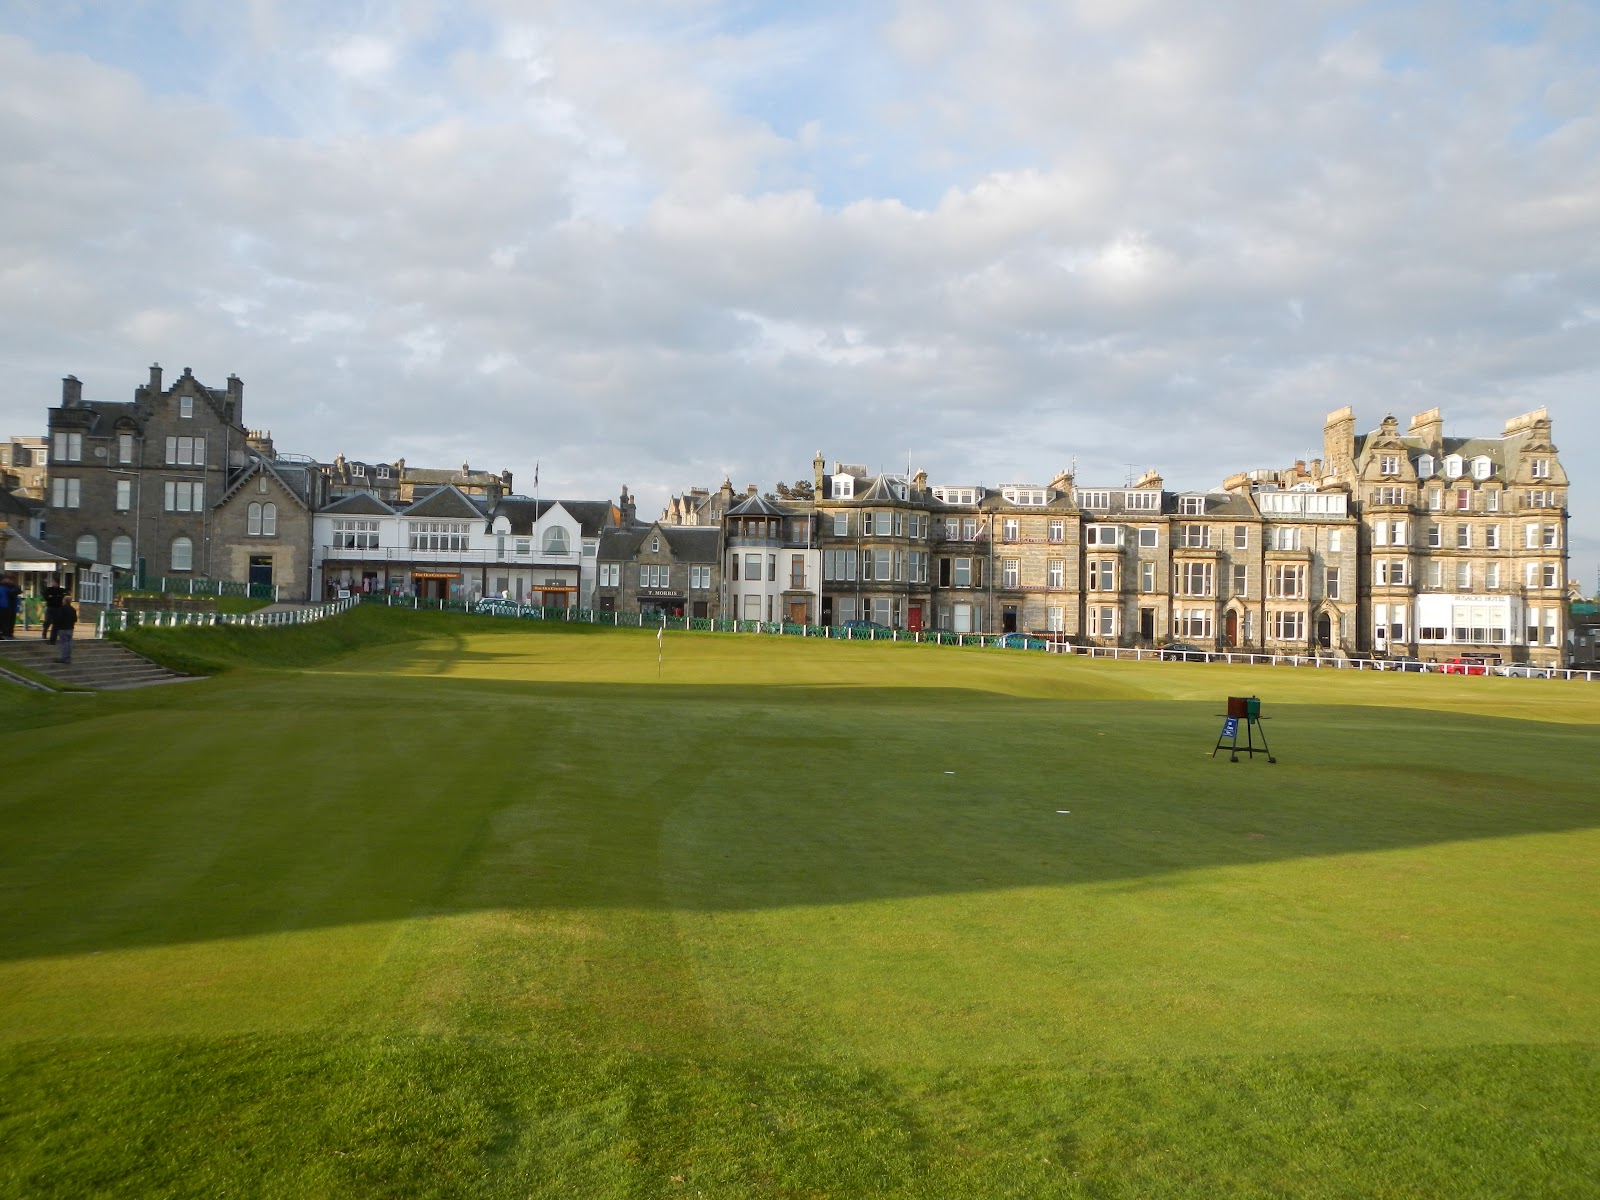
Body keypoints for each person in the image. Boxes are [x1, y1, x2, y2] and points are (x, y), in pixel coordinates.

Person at [55, 597, 78, 664]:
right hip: (70, 628)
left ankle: (63, 658)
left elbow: (58, 618)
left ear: (64, 601)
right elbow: (75, 619)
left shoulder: (62, 609)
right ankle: (68, 658)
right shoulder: (73, 610)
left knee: (63, 644)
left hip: (63, 628)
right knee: (69, 643)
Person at [0, 573, 20, 639]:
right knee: (5, 621)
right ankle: (5, 633)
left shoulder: (8, 587)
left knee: (9, 621)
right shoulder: (4, 587)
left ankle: (7, 633)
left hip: (8, 606)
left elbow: (16, 592)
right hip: (4, 606)